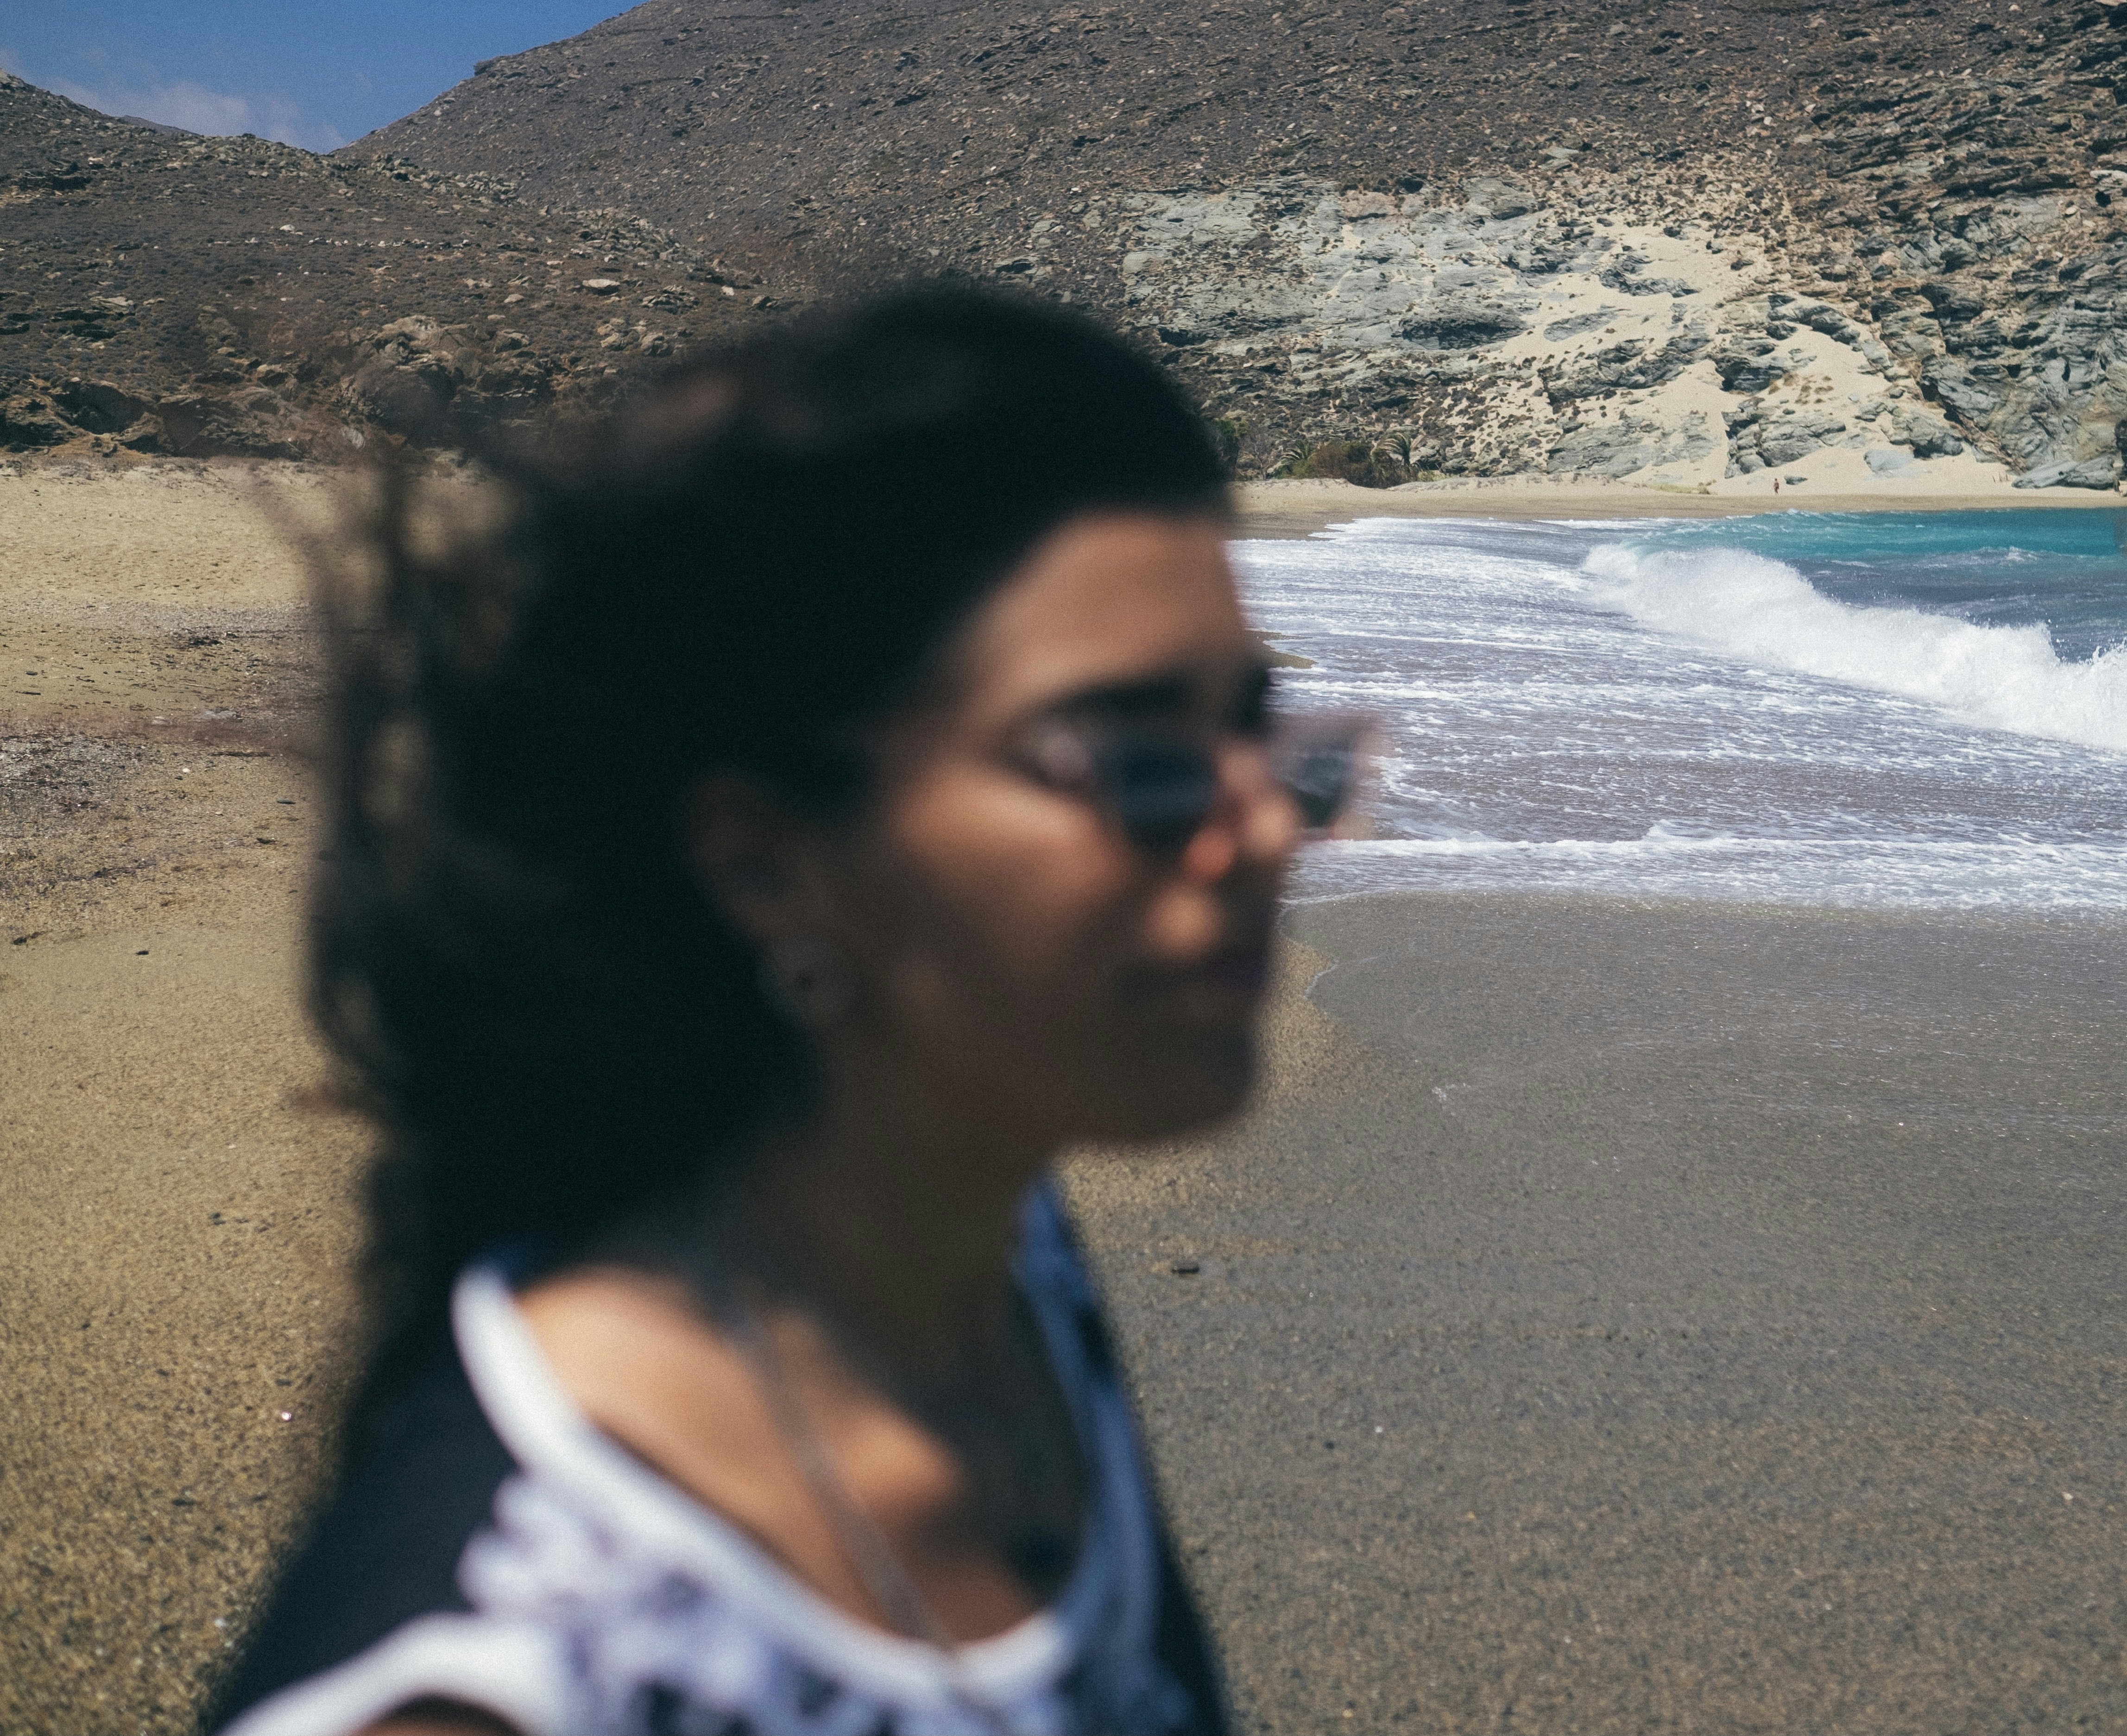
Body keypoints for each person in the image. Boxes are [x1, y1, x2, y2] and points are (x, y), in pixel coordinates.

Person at [212, 286, 1365, 1736]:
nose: (1258, 826)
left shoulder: (1004, 1280)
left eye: (1254, 725)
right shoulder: (517, 1667)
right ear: (767, 857)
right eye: (1137, 758)